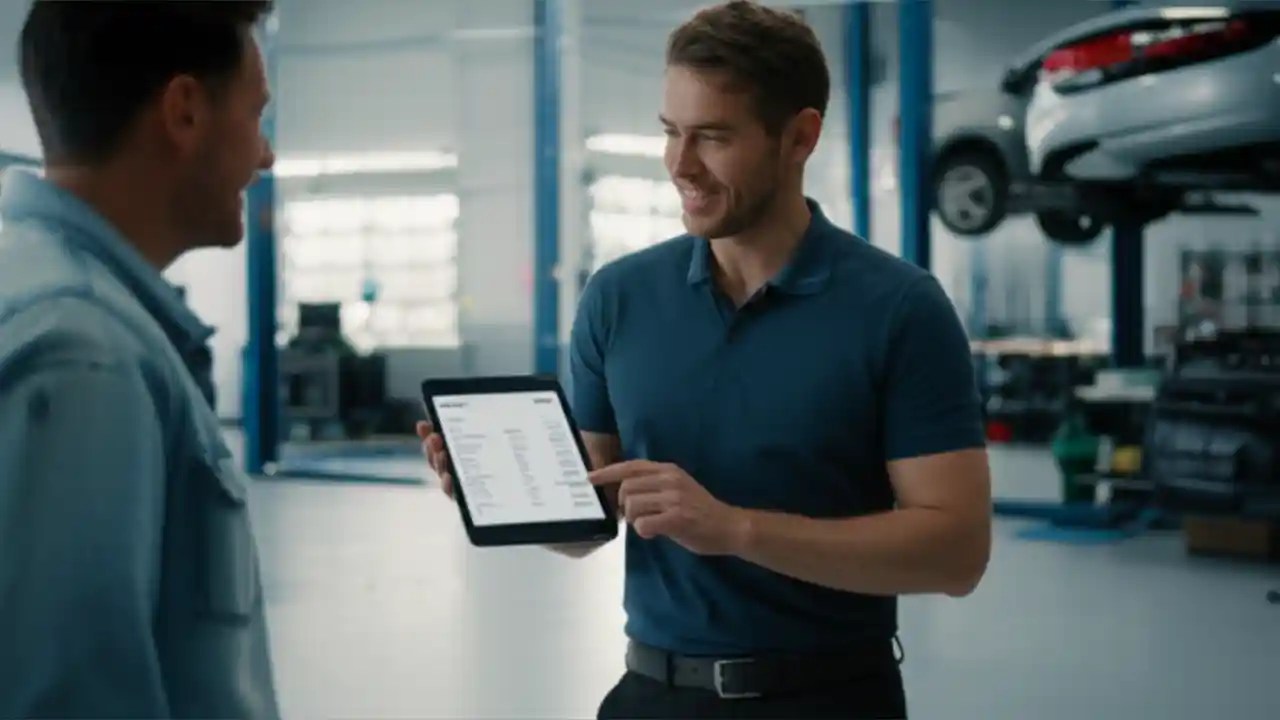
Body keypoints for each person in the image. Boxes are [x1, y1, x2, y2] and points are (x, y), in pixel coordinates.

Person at [418, 2, 992, 718]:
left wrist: (736, 529)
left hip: (829, 701)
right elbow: (591, 518)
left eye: (713, 137)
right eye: (670, 133)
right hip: (653, 697)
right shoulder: (618, 297)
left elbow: (956, 551)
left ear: (799, 138)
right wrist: (501, 491)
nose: (679, 166)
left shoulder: (899, 308)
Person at [0, 2, 278, 717]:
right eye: (256, 116)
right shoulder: (85, 354)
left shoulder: (34, 290)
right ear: (185, 111)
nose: (265, 156)